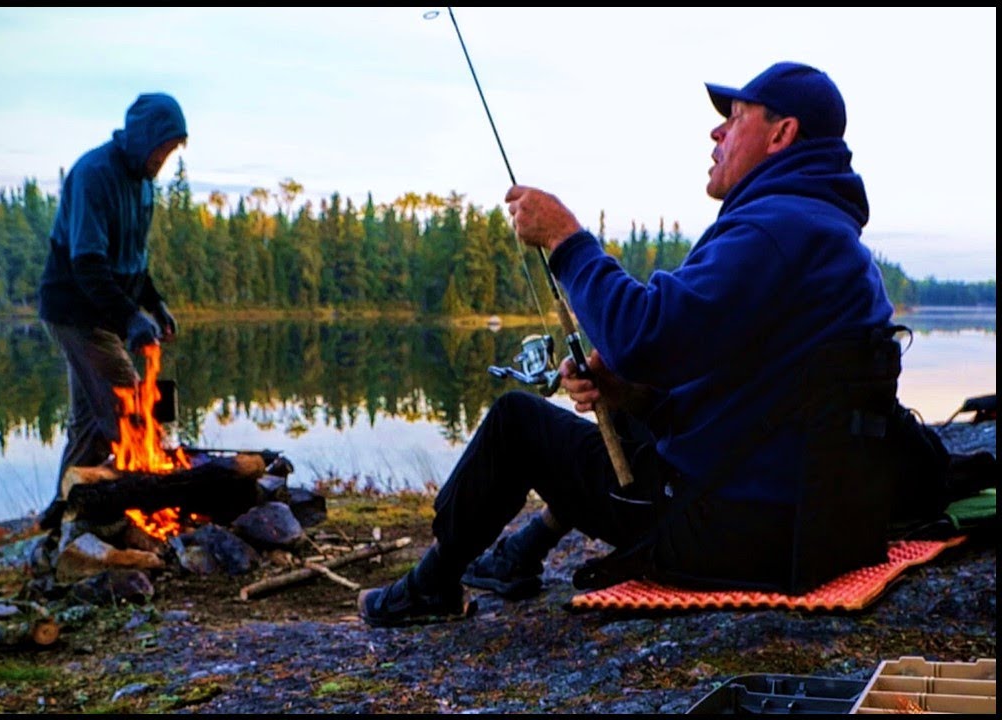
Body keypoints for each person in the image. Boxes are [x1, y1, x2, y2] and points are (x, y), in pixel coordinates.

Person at [359, 61, 905, 628]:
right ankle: (519, 553)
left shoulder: (772, 232)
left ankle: (431, 587)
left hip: (728, 530)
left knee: (517, 424)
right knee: (616, 418)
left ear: (782, 134)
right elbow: (747, 400)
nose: (716, 134)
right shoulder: (826, 235)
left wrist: (566, 240)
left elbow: (641, 333)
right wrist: (629, 395)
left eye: (735, 117)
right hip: (801, 520)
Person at [36, 93, 188, 535]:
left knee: (88, 426)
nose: (165, 158)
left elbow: (133, 262)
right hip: (74, 310)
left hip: (105, 313)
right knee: (128, 404)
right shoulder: (94, 175)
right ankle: (154, 513)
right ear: (143, 140)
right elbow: (88, 264)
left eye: (172, 150)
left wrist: (153, 304)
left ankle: (60, 519)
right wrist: (130, 319)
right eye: (162, 147)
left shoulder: (143, 185)